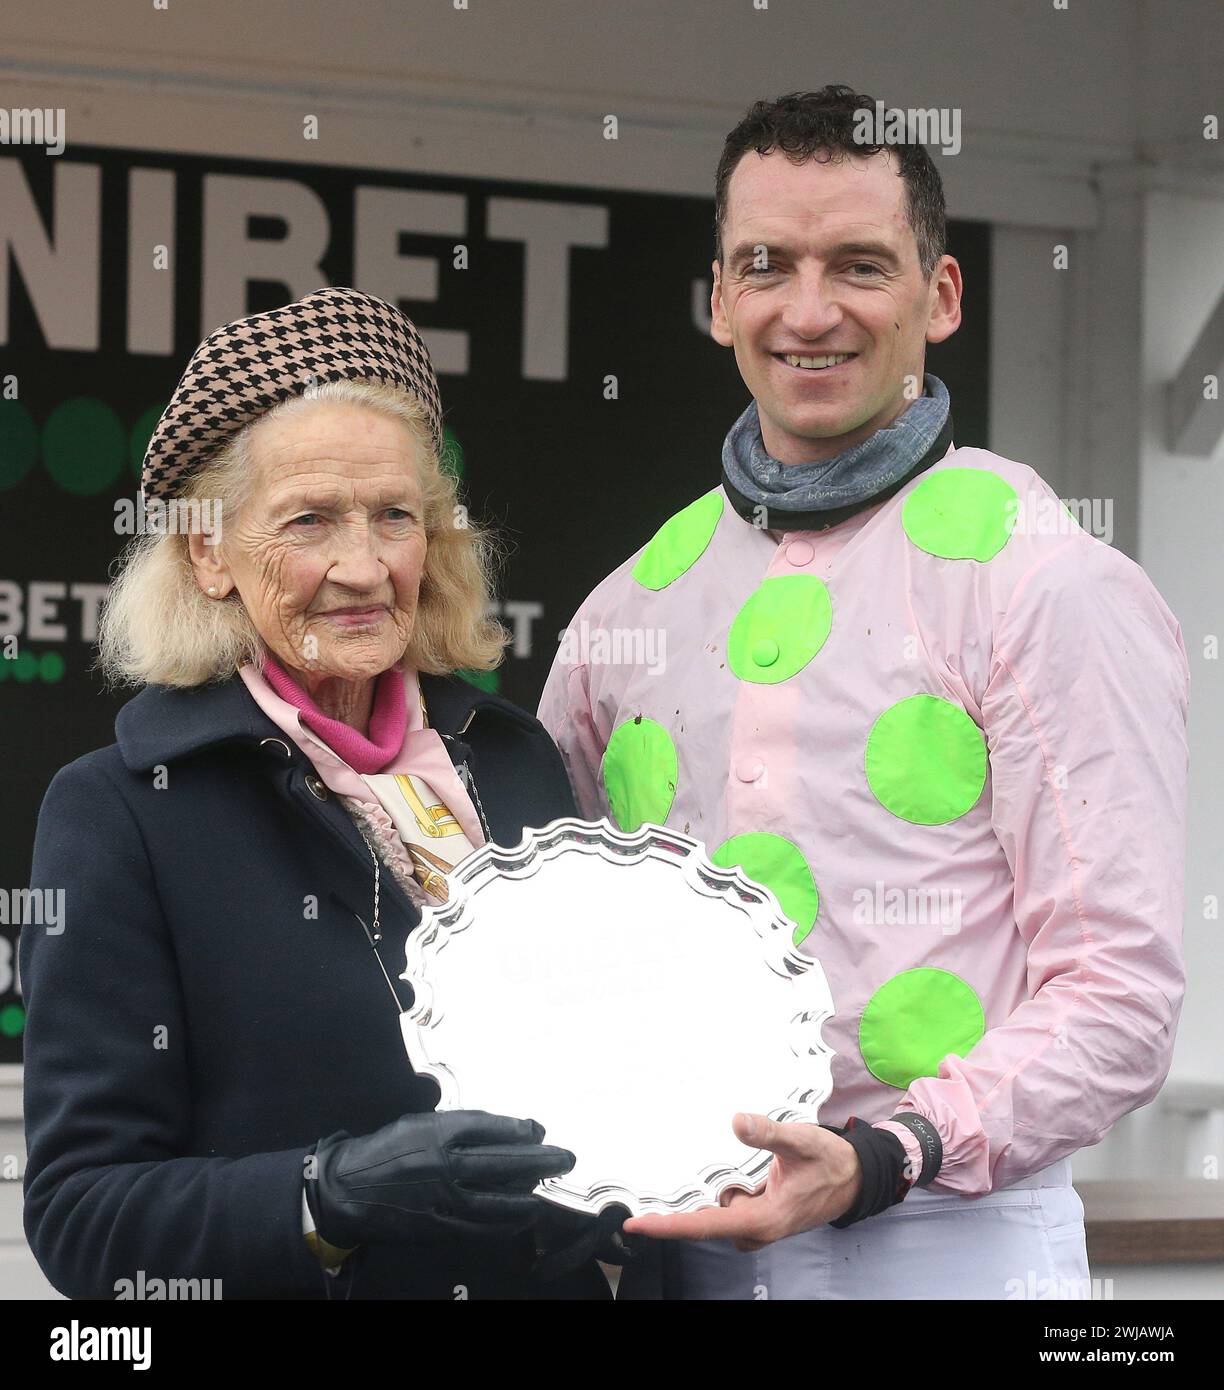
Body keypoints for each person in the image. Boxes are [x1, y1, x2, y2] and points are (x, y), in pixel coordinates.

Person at [537, 88, 1190, 1300]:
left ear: (940, 296)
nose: (809, 309)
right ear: (720, 296)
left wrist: (891, 1155)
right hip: (691, 1251)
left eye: (860, 265)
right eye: (766, 265)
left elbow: (1121, 995)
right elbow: (559, 941)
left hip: (957, 1244)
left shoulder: (1048, 583)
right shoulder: (626, 608)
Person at [22, 286, 610, 1300]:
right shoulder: (123, 811)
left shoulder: (515, 760)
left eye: (395, 515)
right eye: (309, 520)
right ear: (210, 553)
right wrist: (326, 1194)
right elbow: (83, 1215)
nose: (363, 564)